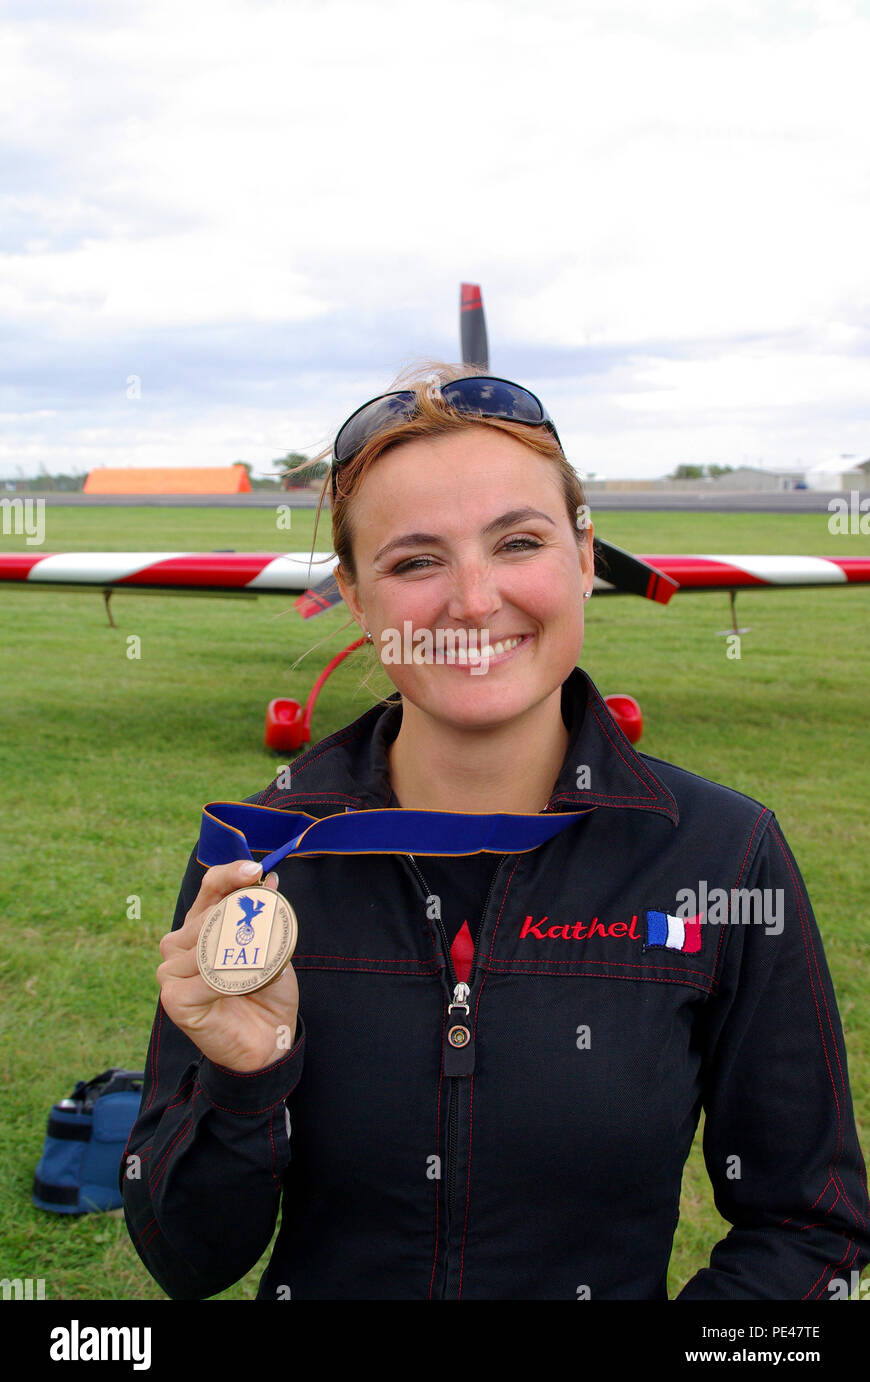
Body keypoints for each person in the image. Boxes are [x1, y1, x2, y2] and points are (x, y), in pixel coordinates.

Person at [122, 366, 870, 1300]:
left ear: (586, 556)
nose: (473, 602)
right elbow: (187, 1260)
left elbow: (812, 1226)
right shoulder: (258, 852)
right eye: (415, 561)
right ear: (354, 598)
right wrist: (244, 1079)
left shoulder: (726, 853)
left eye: (517, 541)